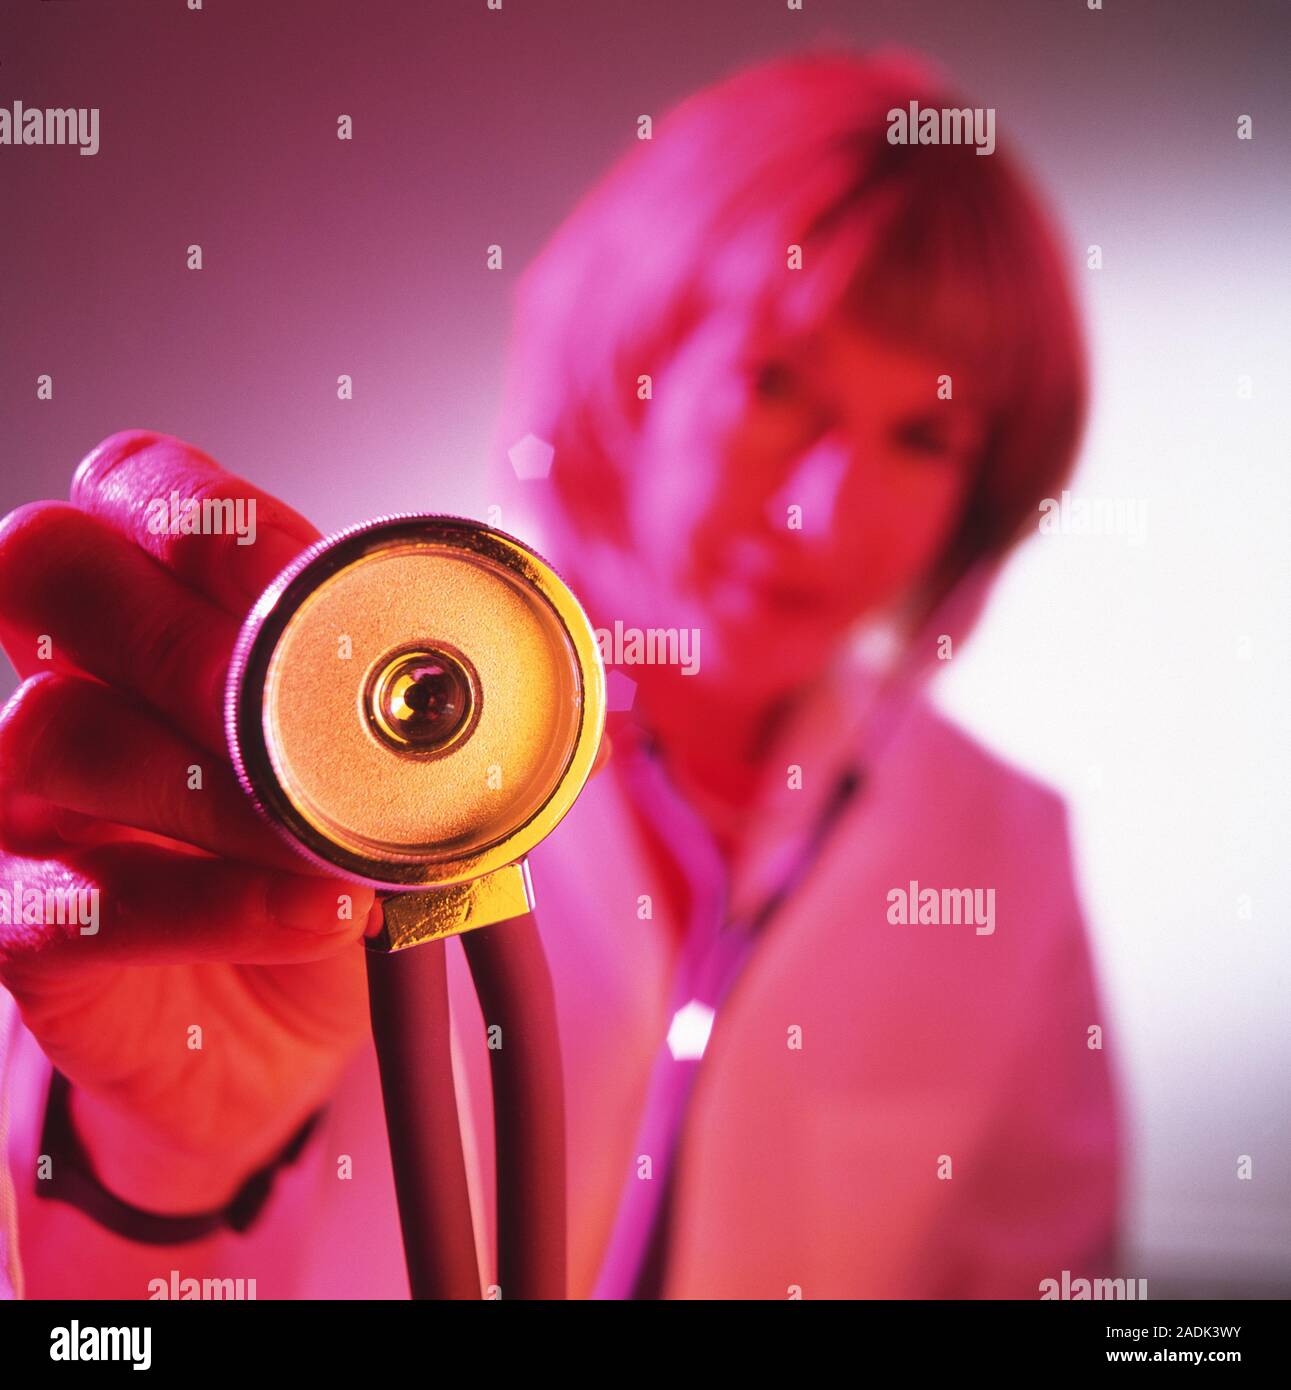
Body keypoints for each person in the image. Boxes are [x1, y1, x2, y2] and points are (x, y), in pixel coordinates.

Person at [0, 50, 1118, 1300]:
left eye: (924, 434)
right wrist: (167, 1156)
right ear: (632, 360)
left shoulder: (1007, 859)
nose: (818, 511)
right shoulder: (303, 761)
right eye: (772, 383)